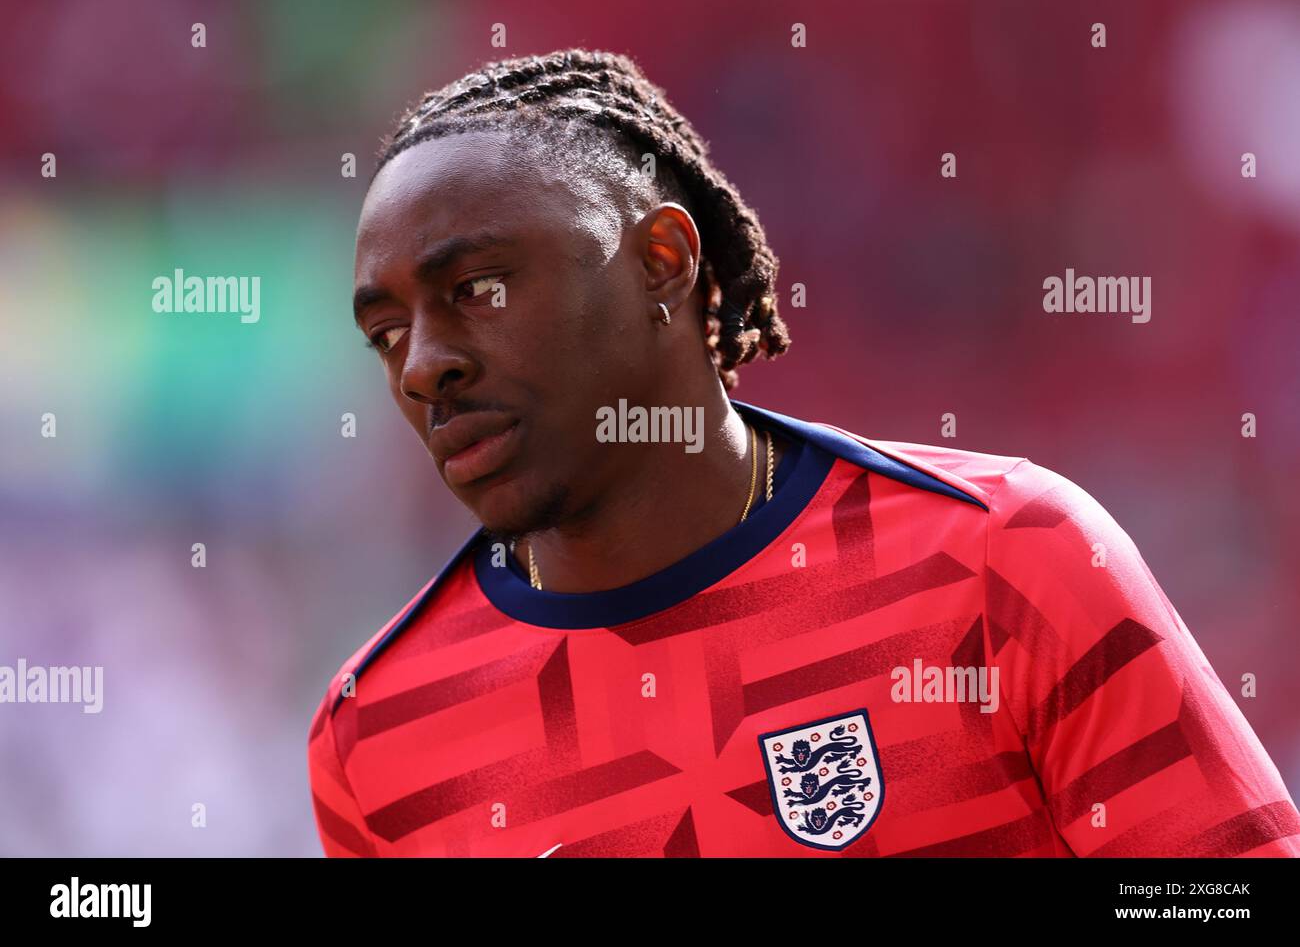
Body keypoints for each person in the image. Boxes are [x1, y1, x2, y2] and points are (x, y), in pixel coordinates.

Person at [308, 48, 1299, 857]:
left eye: (478, 289)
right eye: (387, 332)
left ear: (662, 263)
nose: (424, 366)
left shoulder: (1010, 563)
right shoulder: (376, 732)